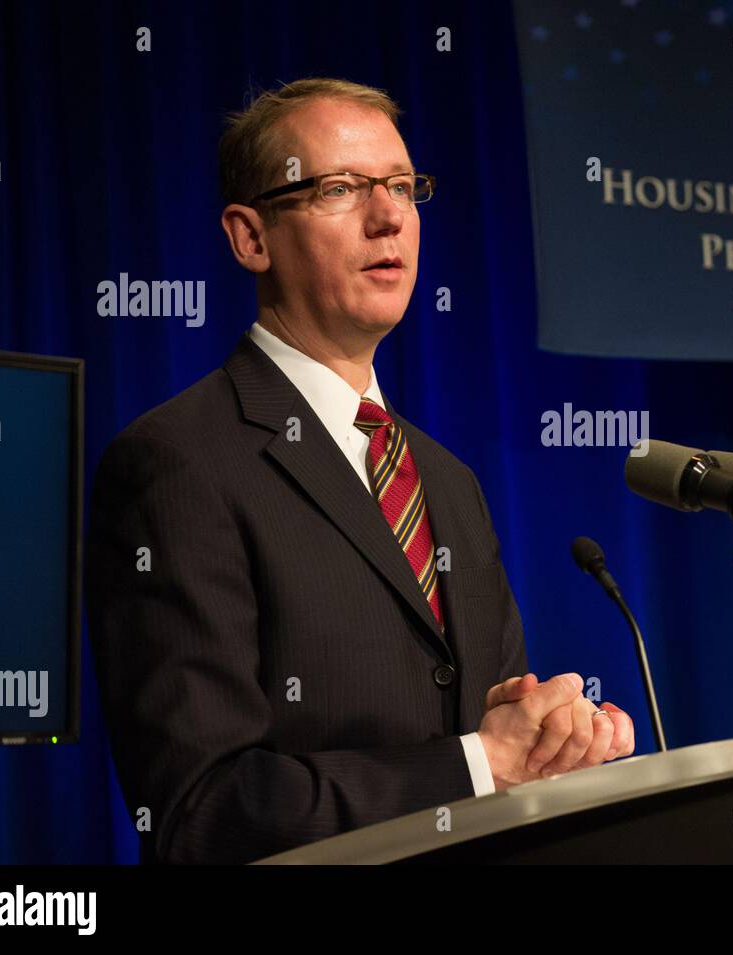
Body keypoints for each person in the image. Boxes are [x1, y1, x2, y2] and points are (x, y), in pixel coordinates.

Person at [86, 77, 633, 865]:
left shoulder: (446, 481)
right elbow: (200, 813)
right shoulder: (177, 464)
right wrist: (485, 761)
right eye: (339, 188)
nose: (389, 216)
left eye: (404, 187)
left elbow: (501, 752)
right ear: (251, 238)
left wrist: (558, 744)